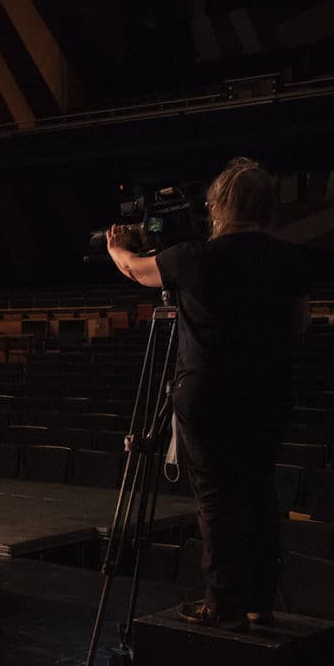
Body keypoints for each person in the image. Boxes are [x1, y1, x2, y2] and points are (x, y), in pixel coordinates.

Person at [106, 157, 308, 628]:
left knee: (215, 498)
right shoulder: (289, 260)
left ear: (220, 206)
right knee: (258, 491)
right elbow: (301, 325)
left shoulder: (194, 257)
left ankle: (222, 602)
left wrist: (118, 247)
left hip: (208, 394)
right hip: (267, 393)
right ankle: (259, 602)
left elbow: (137, 271)